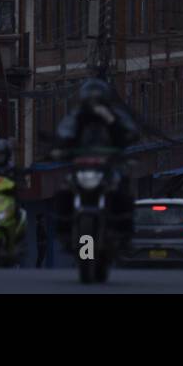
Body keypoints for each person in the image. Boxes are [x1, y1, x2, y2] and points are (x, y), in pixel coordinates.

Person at [53, 78, 141, 247]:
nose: (94, 103)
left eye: (97, 99)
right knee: (64, 190)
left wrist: (111, 120)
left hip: (107, 167)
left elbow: (130, 131)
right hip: (83, 167)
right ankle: (64, 229)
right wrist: (59, 149)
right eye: (90, 99)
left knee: (123, 190)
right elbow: (64, 133)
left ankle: (124, 230)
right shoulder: (77, 115)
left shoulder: (113, 114)